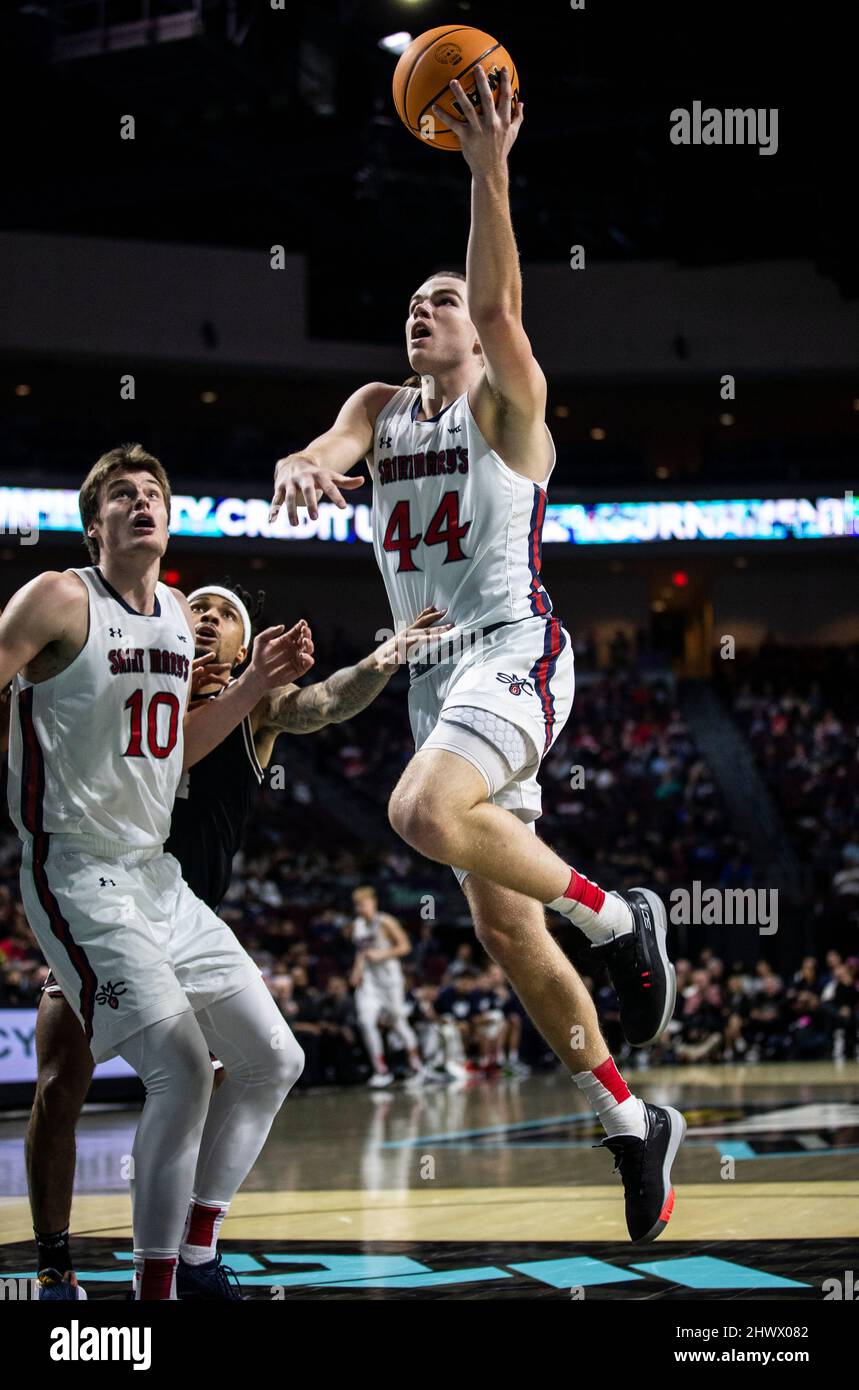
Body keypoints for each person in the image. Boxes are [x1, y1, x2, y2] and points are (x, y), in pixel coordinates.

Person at [271, 68, 684, 1241]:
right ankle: (628, 1122)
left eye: (441, 299)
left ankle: (618, 918)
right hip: (434, 684)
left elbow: (503, 313)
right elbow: (336, 435)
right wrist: (307, 461)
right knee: (506, 928)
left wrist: (487, 170)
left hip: (513, 646)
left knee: (414, 810)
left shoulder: (508, 408)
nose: (425, 309)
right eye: (412, 299)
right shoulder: (380, 403)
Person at [23, 570, 449, 1298]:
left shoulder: (255, 708)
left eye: (228, 613)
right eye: (200, 610)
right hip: (103, 908)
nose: (212, 618)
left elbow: (320, 703)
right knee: (63, 1085)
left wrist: (381, 660)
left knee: (240, 1068)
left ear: (250, 648)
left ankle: (187, 1256)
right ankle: (56, 1262)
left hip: (185, 918)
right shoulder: (131, 690)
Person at [0, 443, 319, 1301]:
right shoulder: (59, 597)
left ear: (168, 518)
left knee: (270, 1059)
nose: (141, 502)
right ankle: (149, 1292)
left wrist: (251, 684)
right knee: (177, 1067)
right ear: (93, 520)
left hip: (156, 875)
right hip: (76, 870)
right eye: (121, 493)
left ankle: (199, 1249)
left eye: (153, 492)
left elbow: (172, 752)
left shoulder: (179, 617)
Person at [347, 885, 424, 1086]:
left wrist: (382, 954)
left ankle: (417, 1067)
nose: (360, 909)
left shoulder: (386, 921)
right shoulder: (357, 926)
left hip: (390, 981)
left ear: (373, 903)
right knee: (365, 1022)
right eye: (357, 905)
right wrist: (356, 971)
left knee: (398, 1023)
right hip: (369, 983)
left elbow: (405, 946)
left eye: (362, 904)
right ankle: (381, 1071)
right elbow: (361, 951)